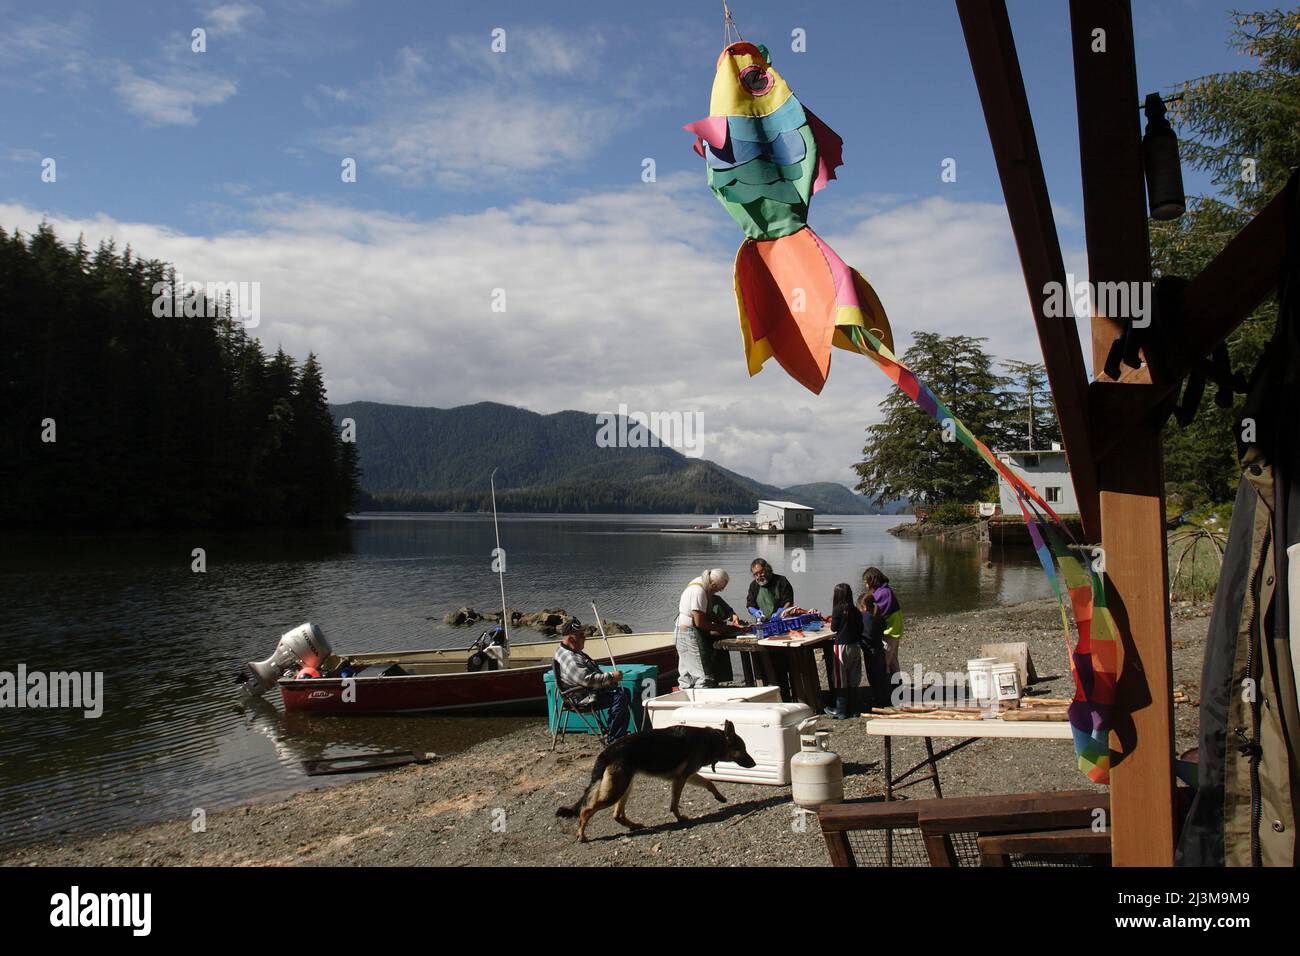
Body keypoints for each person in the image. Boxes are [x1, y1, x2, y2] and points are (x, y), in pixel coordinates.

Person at [553, 619, 632, 741]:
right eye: (581, 635)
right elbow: (587, 681)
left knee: (622, 692)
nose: (585, 638)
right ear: (570, 639)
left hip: (580, 692)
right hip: (582, 697)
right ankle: (615, 740)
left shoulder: (563, 650)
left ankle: (614, 732)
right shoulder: (571, 659)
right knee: (621, 696)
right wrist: (612, 677)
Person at [674, 569, 732, 689]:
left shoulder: (699, 583)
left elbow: (707, 612)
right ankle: (702, 701)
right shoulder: (698, 591)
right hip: (689, 632)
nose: (718, 591)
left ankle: (686, 697)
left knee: (687, 675)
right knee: (703, 675)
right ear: (713, 584)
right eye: (719, 589)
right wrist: (721, 628)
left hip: (679, 629)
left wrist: (722, 622)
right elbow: (699, 622)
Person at [823, 583, 864, 719]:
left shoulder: (838, 610)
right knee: (853, 678)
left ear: (837, 596)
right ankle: (854, 710)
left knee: (840, 679)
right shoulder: (856, 610)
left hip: (841, 646)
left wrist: (830, 624)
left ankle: (840, 711)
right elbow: (860, 629)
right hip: (855, 647)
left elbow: (834, 628)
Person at [863, 567, 904, 688]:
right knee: (893, 659)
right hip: (894, 628)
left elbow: (876, 612)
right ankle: (898, 686)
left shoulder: (883, 593)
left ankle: (888, 687)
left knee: (886, 660)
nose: (865, 585)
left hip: (891, 630)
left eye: (866, 582)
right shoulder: (884, 590)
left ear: (872, 581)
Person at [858, 590, 893, 709]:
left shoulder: (865, 617)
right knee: (881, 674)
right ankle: (884, 697)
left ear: (863, 607)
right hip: (879, 649)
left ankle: (880, 700)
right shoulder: (877, 615)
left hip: (870, 651)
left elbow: (866, 634)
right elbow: (882, 627)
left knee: (873, 676)